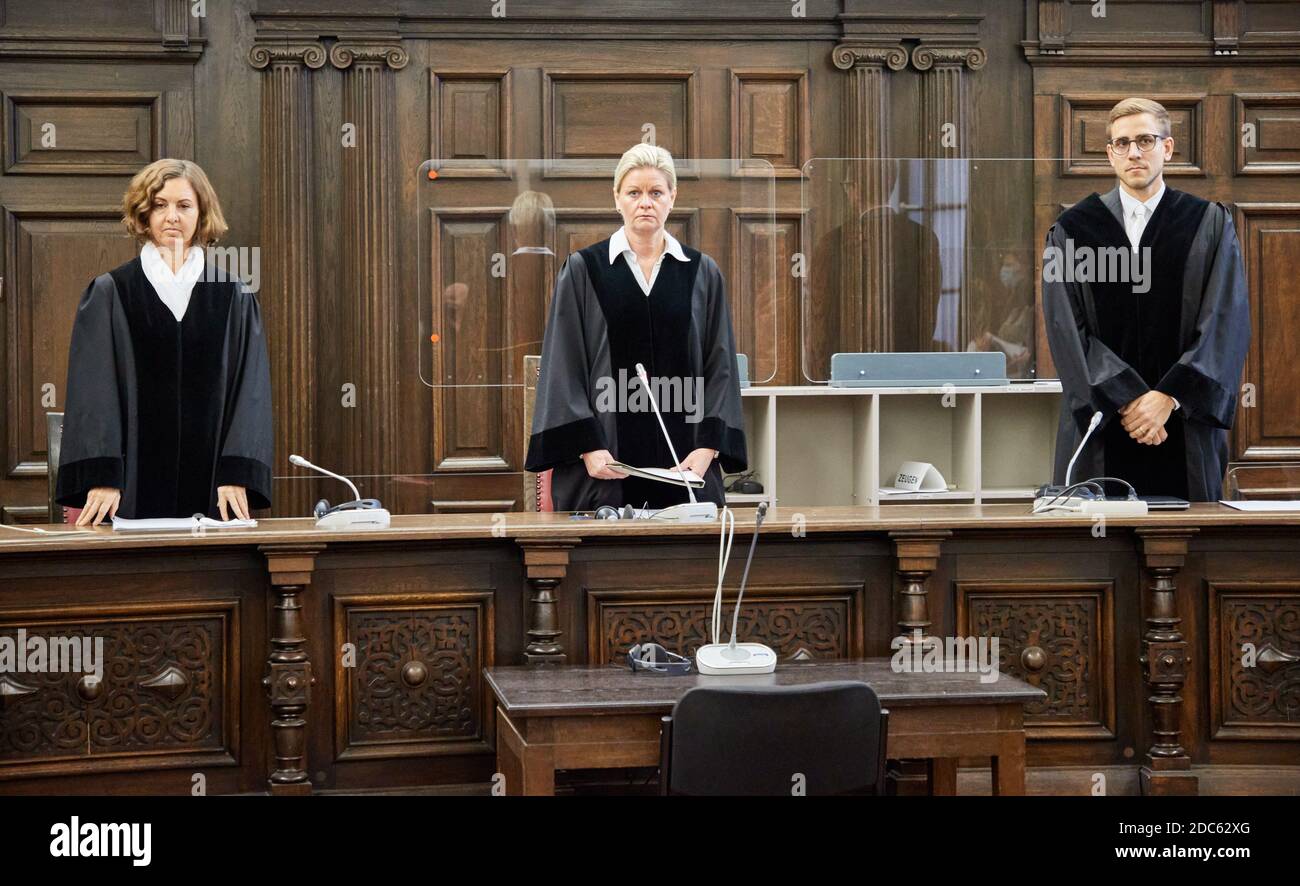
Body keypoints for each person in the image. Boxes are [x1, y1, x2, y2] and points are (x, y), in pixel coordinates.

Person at [1044, 98, 1250, 500]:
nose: (1133, 152)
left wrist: (1168, 398)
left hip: (1184, 427)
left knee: (1190, 551)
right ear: (1109, 154)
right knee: (1100, 552)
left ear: (1167, 148)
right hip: (1104, 426)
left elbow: (1225, 322)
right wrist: (1130, 400)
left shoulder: (1207, 223)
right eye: (1122, 143)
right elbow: (1065, 329)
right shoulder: (1071, 229)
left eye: (1145, 140)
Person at [524, 144, 746, 511]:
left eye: (656, 192)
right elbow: (563, 368)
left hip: (687, 468)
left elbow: (720, 369)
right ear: (617, 199)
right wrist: (588, 448)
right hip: (605, 471)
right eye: (634, 193)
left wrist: (707, 450)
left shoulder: (701, 272)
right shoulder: (584, 270)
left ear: (672, 198)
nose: (646, 202)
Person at [55, 158, 273, 525]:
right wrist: (104, 475)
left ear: (202, 213)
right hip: (129, 493)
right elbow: (93, 391)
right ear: (144, 214)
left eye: (184, 205)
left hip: (214, 495)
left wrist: (237, 473)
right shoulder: (111, 293)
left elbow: (249, 392)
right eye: (160, 205)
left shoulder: (233, 295)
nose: (172, 216)